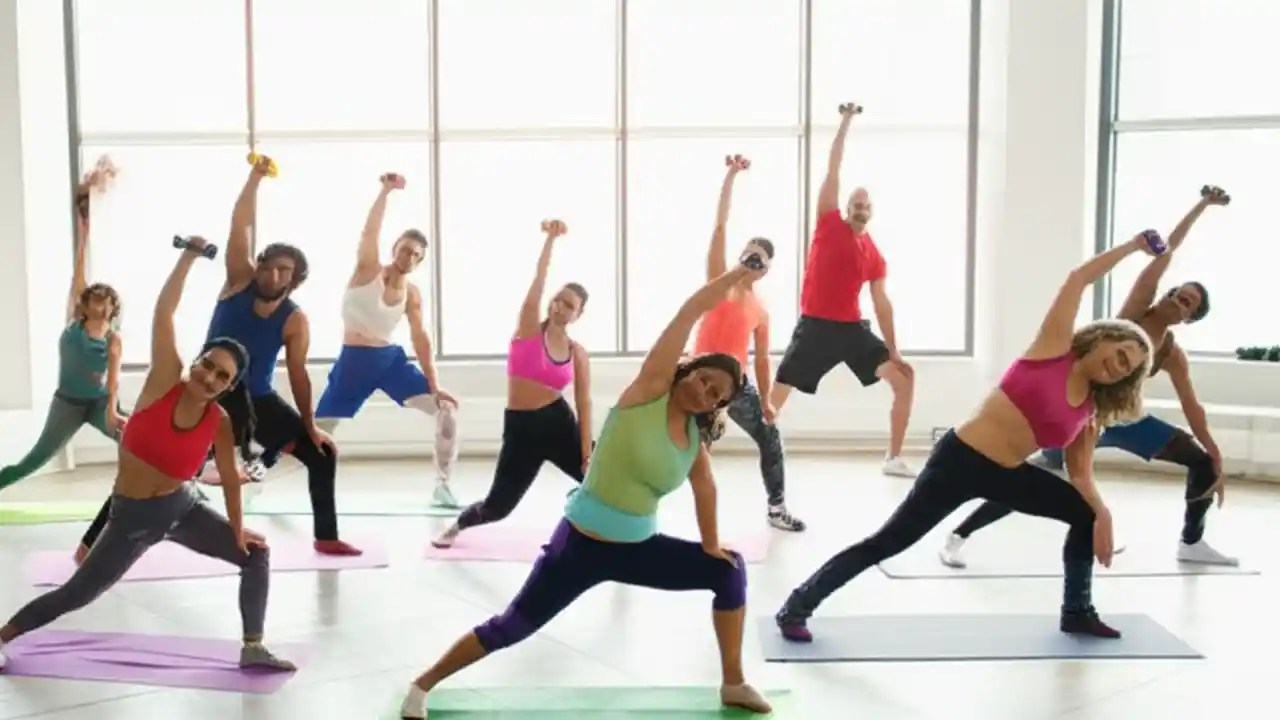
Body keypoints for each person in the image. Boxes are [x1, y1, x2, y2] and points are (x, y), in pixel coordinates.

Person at [399, 255, 775, 719]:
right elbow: (689, 311)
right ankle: (422, 684)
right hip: (579, 547)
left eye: (717, 395)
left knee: (728, 572)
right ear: (688, 370)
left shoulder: (694, 436)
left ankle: (733, 683)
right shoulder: (648, 390)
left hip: (638, 548)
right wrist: (739, 274)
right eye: (705, 379)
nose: (706, 393)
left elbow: (706, 489)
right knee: (511, 626)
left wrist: (713, 546)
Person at [774, 233, 1163, 644]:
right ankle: (797, 605)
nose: (1119, 367)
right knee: (889, 542)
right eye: (1120, 354)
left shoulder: (1090, 409)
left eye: (1128, 370)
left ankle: (1078, 612)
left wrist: (1103, 513)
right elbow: (1079, 278)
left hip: (1009, 474)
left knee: (1082, 513)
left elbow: (1080, 473)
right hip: (960, 462)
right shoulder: (1054, 349)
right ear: (1102, 338)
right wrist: (1133, 247)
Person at [0, 237, 293, 673]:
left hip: (183, 508)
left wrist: (236, 530)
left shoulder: (219, 421)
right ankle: (3, 636)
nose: (209, 377)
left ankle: (253, 646)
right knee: (77, 594)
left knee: (256, 554)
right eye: (207, 365)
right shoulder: (163, 381)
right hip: (131, 520)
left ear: (229, 387)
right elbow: (165, 313)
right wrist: (188, 258)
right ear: (195, 362)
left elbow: (231, 480)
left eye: (222, 377)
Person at [938, 187, 1234, 569]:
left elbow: (1192, 406)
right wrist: (1202, 206)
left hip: (1122, 418)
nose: (1179, 298)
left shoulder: (1172, 354)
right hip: (1080, 412)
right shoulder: (1135, 314)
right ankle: (959, 534)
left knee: (1202, 462)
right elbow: (1167, 254)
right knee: (1028, 479)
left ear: (1190, 318)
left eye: (1188, 302)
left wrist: (1214, 451)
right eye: (1178, 292)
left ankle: (1191, 543)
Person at [770, 103, 916, 477]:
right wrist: (845, 122)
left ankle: (893, 458)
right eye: (855, 203)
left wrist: (894, 350)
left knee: (904, 378)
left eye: (865, 205)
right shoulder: (827, 222)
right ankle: (765, 447)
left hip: (851, 330)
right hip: (816, 325)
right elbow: (833, 168)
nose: (859, 209)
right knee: (780, 390)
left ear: (871, 211)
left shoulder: (874, 253)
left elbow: (882, 303)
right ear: (846, 207)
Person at [432, 220, 591, 548]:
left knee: (604, 480)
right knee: (498, 507)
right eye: (558, 300)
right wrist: (550, 241)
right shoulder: (529, 329)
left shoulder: (578, 352)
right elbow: (538, 281)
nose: (561, 307)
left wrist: (587, 452)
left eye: (570, 306)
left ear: (579, 314)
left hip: (560, 424)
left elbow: (584, 403)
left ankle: (616, 539)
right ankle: (459, 524)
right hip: (522, 430)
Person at [313, 173, 460, 508]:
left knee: (446, 410)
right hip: (353, 363)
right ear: (395, 248)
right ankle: (258, 479)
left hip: (390, 363)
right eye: (405, 249)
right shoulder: (368, 270)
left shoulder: (412, 293)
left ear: (420, 261)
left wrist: (435, 385)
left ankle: (443, 485)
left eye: (416, 255)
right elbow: (370, 232)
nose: (409, 257)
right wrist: (385, 192)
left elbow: (421, 337)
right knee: (315, 433)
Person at [1, 160, 124, 504]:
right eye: (94, 301)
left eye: (106, 303)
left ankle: (175, 495)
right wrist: (84, 229)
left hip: (100, 404)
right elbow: (79, 272)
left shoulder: (114, 338)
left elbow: (113, 381)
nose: (100, 307)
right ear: (85, 305)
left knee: (139, 445)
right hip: (67, 405)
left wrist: (113, 412)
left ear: (114, 309)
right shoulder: (74, 322)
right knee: (34, 460)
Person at [692, 154, 804, 532]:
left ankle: (777, 508)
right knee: (689, 450)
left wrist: (769, 401)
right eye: (749, 250)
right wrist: (730, 176)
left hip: (736, 385)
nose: (752, 256)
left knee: (770, 437)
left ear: (767, 268)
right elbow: (720, 225)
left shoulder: (760, 310)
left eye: (760, 256)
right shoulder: (718, 282)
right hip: (698, 377)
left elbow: (760, 361)